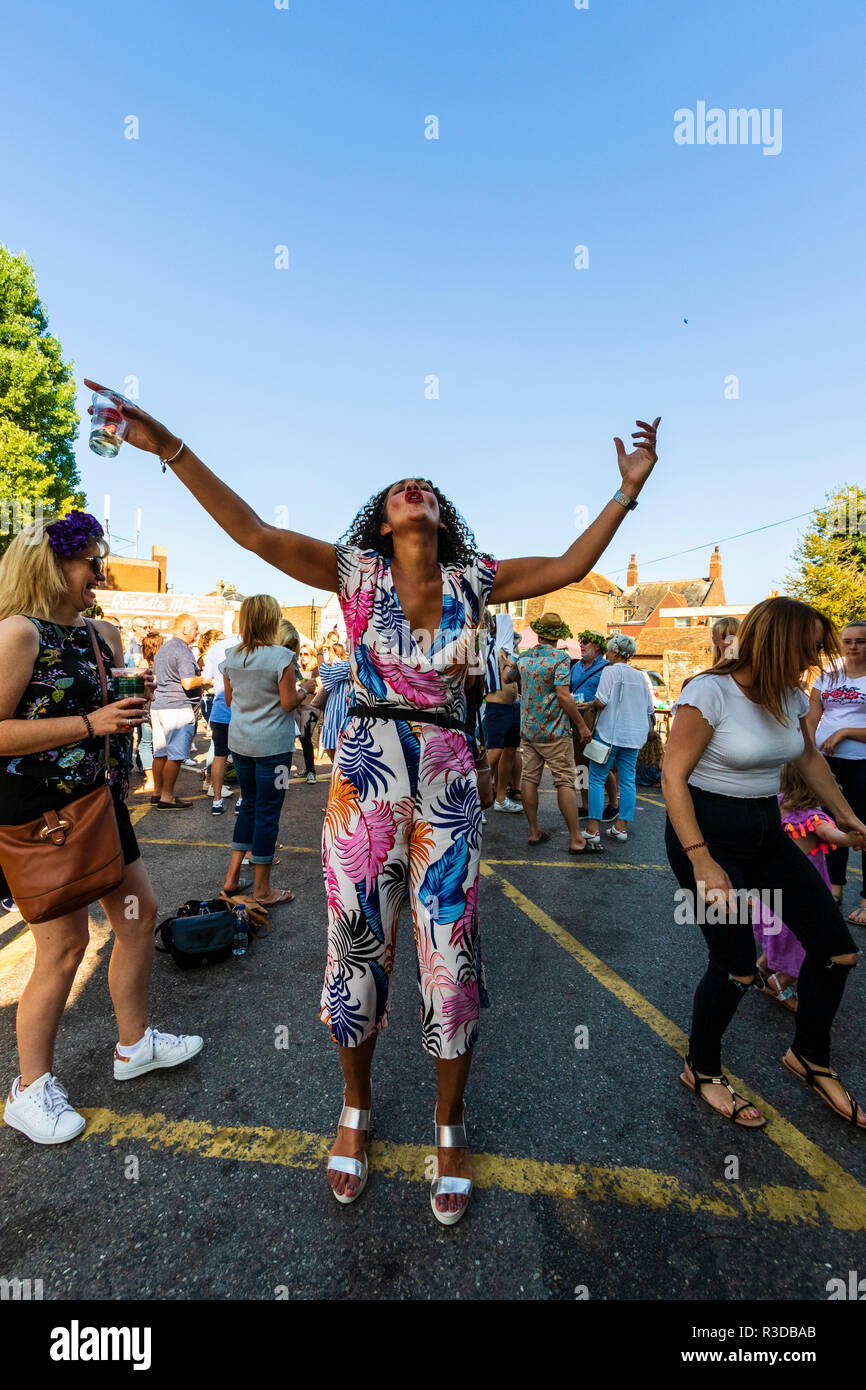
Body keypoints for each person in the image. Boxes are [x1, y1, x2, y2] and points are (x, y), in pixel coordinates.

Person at [82, 377, 659, 1223]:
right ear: (384, 521)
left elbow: (573, 565)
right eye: (397, 489)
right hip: (368, 768)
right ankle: (354, 1110)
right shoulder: (355, 573)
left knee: (450, 955)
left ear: (440, 516)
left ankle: (448, 1124)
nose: (412, 488)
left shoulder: (475, 578)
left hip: (450, 772)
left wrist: (627, 491)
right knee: (356, 952)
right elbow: (254, 530)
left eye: (423, 486)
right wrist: (168, 445)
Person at [0, 512, 202, 1146]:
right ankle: (28, 1089)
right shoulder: (17, 633)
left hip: (99, 801)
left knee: (140, 918)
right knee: (62, 950)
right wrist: (90, 725)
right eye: (90, 560)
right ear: (52, 566)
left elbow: (101, 712)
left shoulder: (91, 634)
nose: (100, 572)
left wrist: (117, 723)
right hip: (40, 814)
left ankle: (134, 1044)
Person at [662, 596, 866, 1130]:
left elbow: (807, 758)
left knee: (837, 953)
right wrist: (703, 862)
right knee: (735, 967)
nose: (814, 661)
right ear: (778, 643)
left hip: (765, 830)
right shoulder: (711, 691)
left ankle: (810, 1058)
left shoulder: (791, 696)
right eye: (807, 648)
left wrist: (847, 818)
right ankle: (701, 1068)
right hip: (705, 833)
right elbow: (672, 776)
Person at [752, 762, 861, 1013]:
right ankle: (779, 983)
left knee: (778, 939)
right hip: (801, 896)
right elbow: (837, 837)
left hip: (771, 892)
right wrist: (852, 838)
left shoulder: (775, 806)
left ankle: (763, 967)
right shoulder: (813, 818)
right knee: (805, 945)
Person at [220, 595, 302, 906]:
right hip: (274, 748)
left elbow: (230, 701)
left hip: (240, 744)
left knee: (249, 804)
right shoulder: (281, 657)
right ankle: (262, 889)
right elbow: (287, 702)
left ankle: (231, 877)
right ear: (271, 621)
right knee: (269, 812)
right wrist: (304, 691)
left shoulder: (231, 656)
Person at [516, 614, 597, 853]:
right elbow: (563, 695)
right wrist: (581, 725)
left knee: (529, 779)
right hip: (554, 731)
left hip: (529, 730)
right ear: (557, 635)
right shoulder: (560, 658)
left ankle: (534, 832)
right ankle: (576, 839)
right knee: (564, 781)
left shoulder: (524, 657)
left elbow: (511, 677)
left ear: (539, 633)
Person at [807, 620, 866, 926]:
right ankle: (835, 888)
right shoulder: (828, 677)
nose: (853, 646)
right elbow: (812, 717)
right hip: (827, 764)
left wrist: (846, 731)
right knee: (831, 825)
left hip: (861, 762)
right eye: (848, 641)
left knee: (862, 827)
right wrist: (803, 751)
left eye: (861, 641)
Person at [584, 633, 655, 845]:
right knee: (627, 781)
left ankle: (593, 829)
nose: (606, 653)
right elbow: (650, 708)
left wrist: (588, 705)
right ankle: (621, 827)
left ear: (615, 651)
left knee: (596, 778)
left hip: (609, 733)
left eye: (608, 650)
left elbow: (602, 701)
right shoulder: (640, 676)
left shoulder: (610, 671)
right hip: (633, 736)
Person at [150, 614, 206, 808]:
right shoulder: (182, 650)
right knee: (175, 755)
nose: (197, 632)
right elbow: (188, 682)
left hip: (159, 705)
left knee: (160, 753)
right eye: (195, 628)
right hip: (177, 707)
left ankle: (157, 793)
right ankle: (167, 797)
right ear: (185, 629)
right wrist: (206, 679)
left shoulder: (163, 648)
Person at [569, 631, 616, 817]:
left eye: (585, 642)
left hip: (598, 719)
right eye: (581, 642)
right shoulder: (576, 667)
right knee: (580, 765)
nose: (581, 645)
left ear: (597, 647)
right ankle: (586, 805)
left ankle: (613, 803)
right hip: (576, 719)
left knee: (599, 760)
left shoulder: (608, 667)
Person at [481, 611, 521, 813]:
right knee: (493, 753)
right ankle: (477, 801)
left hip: (514, 707)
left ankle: (501, 797)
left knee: (510, 752)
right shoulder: (488, 646)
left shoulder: (509, 650)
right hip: (496, 707)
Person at [201, 627, 238, 814]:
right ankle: (243, 800)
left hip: (219, 710)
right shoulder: (248, 647)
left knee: (219, 755)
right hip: (241, 712)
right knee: (243, 757)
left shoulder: (216, 647)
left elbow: (206, 677)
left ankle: (216, 801)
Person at [135, 629, 163, 796]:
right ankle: (153, 779)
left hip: (147, 707)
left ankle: (152, 778)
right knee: (153, 743)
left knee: (146, 743)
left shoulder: (143, 665)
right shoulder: (156, 664)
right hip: (156, 707)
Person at [319, 642, 351, 762]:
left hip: (342, 712)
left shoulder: (350, 664)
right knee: (331, 749)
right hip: (334, 710)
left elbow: (326, 673)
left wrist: (318, 652)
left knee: (339, 752)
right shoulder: (346, 663)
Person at [295, 647, 322, 783]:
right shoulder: (298, 669)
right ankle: (307, 769)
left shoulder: (315, 669)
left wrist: (307, 687)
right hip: (297, 706)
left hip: (310, 706)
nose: (302, 656)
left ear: (311, 655)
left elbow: (321, 688)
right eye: (300, 654)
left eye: (305, 654)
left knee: (306, 737)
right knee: (302, 738)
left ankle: (312, 772)